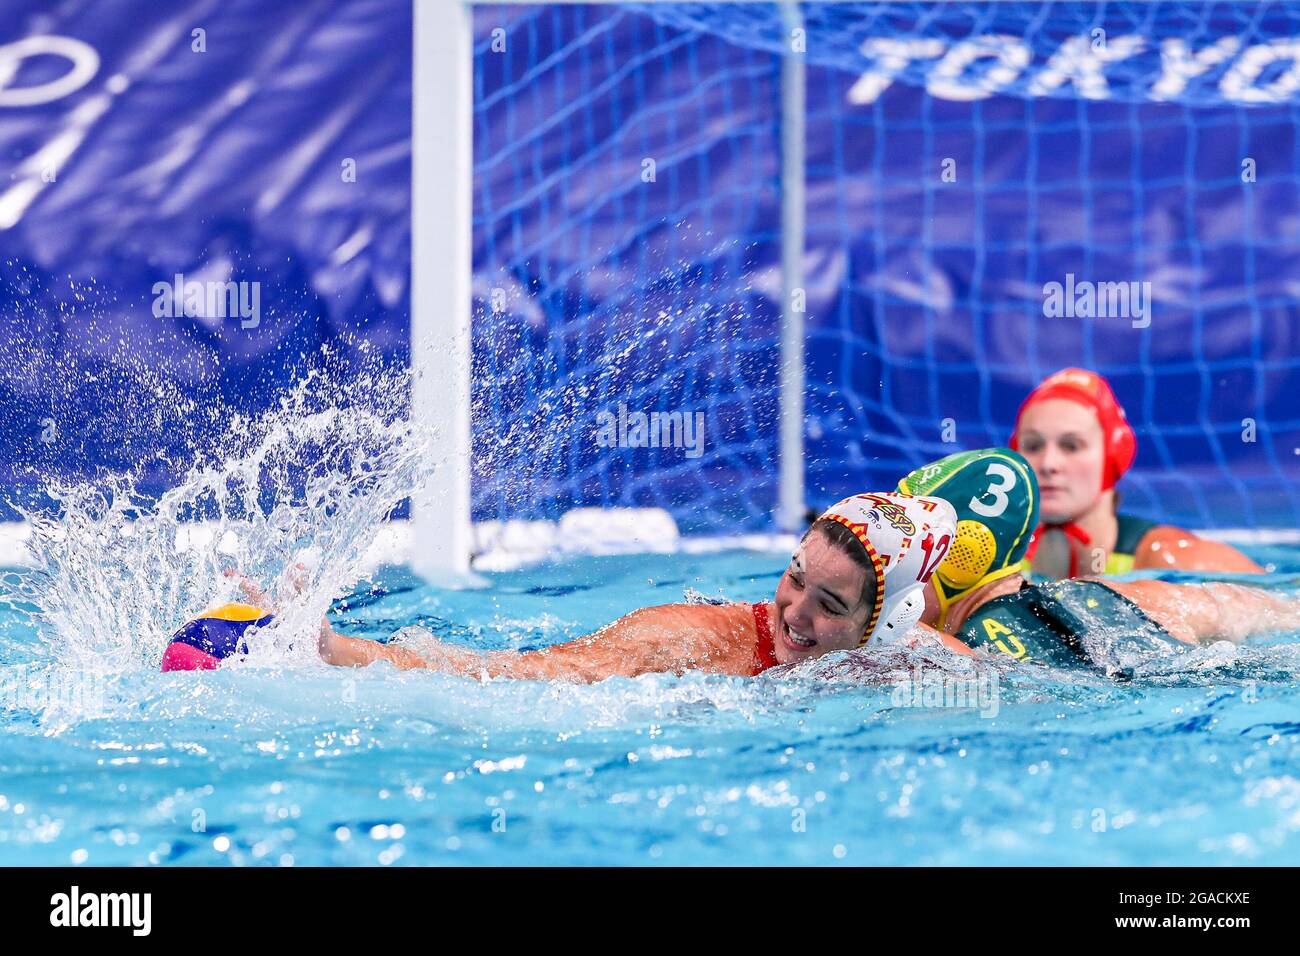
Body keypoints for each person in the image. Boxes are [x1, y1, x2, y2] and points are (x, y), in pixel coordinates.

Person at [165, 492, 970, 679]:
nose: (792, 610)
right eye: (793, 578)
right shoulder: (689, 641)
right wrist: (333, 649)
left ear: (881, 619)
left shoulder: (913, 656)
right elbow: (525, 679)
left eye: (827, 605)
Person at [892, 447, 1297, 670]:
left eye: (903, 550)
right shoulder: (1117, 596)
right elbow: (1255, 607)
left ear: (960, 559)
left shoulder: (918, 643)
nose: (888, 566)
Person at [1009, 368, 1262, 578]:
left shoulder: (1170, 560)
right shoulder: (996, 563)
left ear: (1114, 455)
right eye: (1033, 446)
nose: (1048, 463)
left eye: (1071, 446)